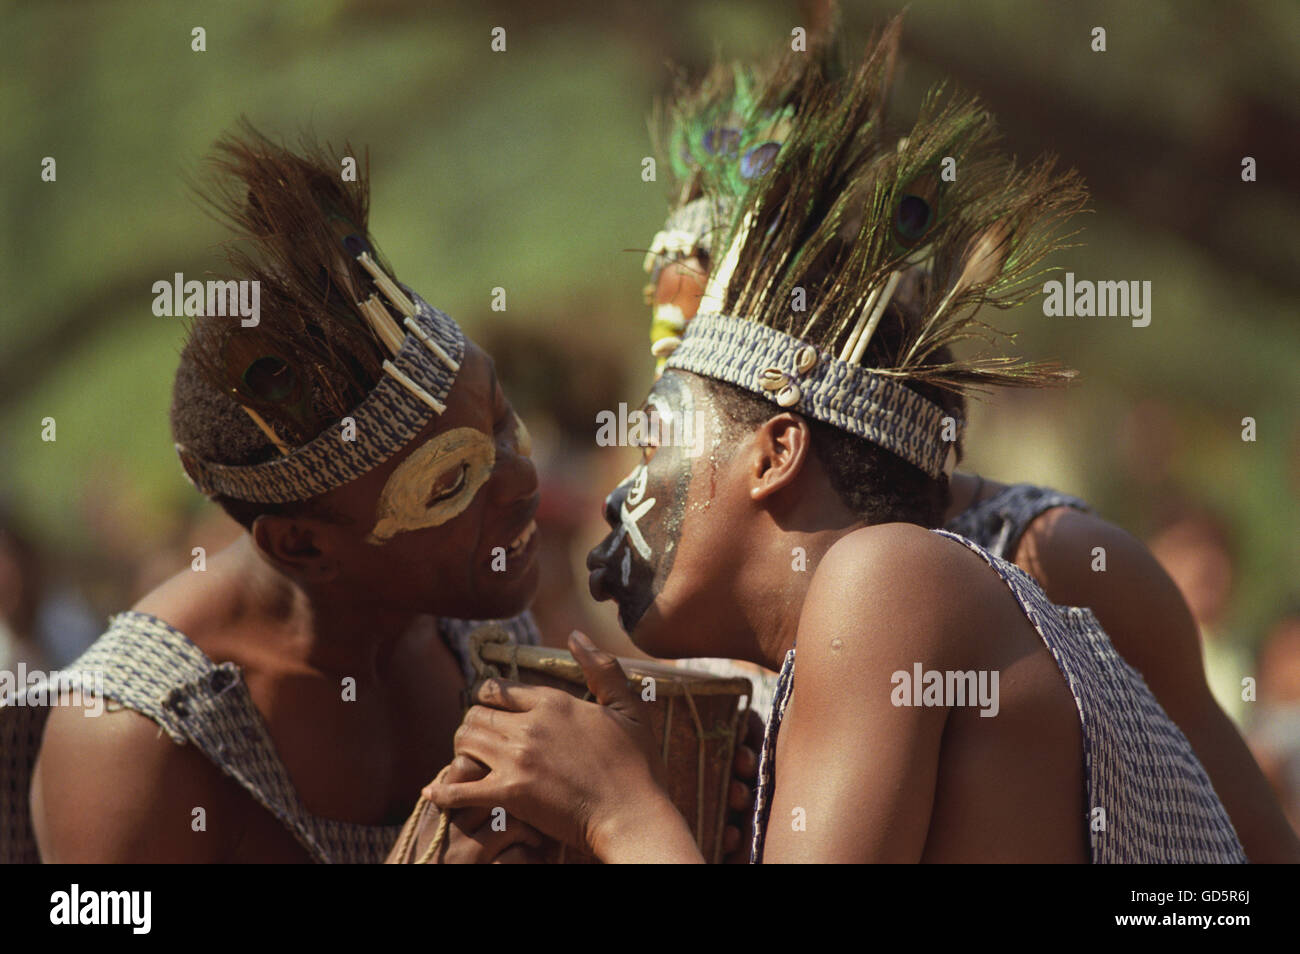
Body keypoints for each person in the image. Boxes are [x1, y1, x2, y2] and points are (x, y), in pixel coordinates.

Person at [427, 23, 1249, 863]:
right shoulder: (853, 619)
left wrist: (618, 810)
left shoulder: (890, 578)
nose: (617, 496)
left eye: (651, 445)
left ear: (777, 452)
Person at [635, 29, 1299, 862]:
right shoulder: (781, 587)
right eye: (666, 357)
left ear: (778, 442)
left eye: (703, 345)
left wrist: (622, 818)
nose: (672, 386)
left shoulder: (1025, 566)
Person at [1, 124, 544, 863]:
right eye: (451, 480)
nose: (523, 484)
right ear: (303, 545)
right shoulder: (138, 730)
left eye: (504, 424)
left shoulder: (478, 636)